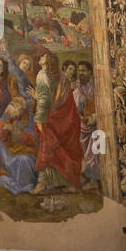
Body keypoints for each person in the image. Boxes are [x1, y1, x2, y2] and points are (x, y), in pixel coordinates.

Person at [31, 54, 85, 193]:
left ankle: (42, 183)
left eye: (43, 56)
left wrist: (39, 119)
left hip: (53, 118)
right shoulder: (61, 76)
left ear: (47, 62)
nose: (41, 57)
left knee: (47, 147)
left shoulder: (42, 75)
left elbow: (44, 100)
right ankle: (67, 182)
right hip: (67, 118)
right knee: (59, 150)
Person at [0, 97, 39, 194]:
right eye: (12, 117)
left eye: (17, 116)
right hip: (8, 156)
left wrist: (17, 134)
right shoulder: (3, 120)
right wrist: (3, 130)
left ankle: (25, 185)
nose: (15, 119)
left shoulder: (30, 120)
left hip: (27, 152)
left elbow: (34, 139)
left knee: (24, 160)